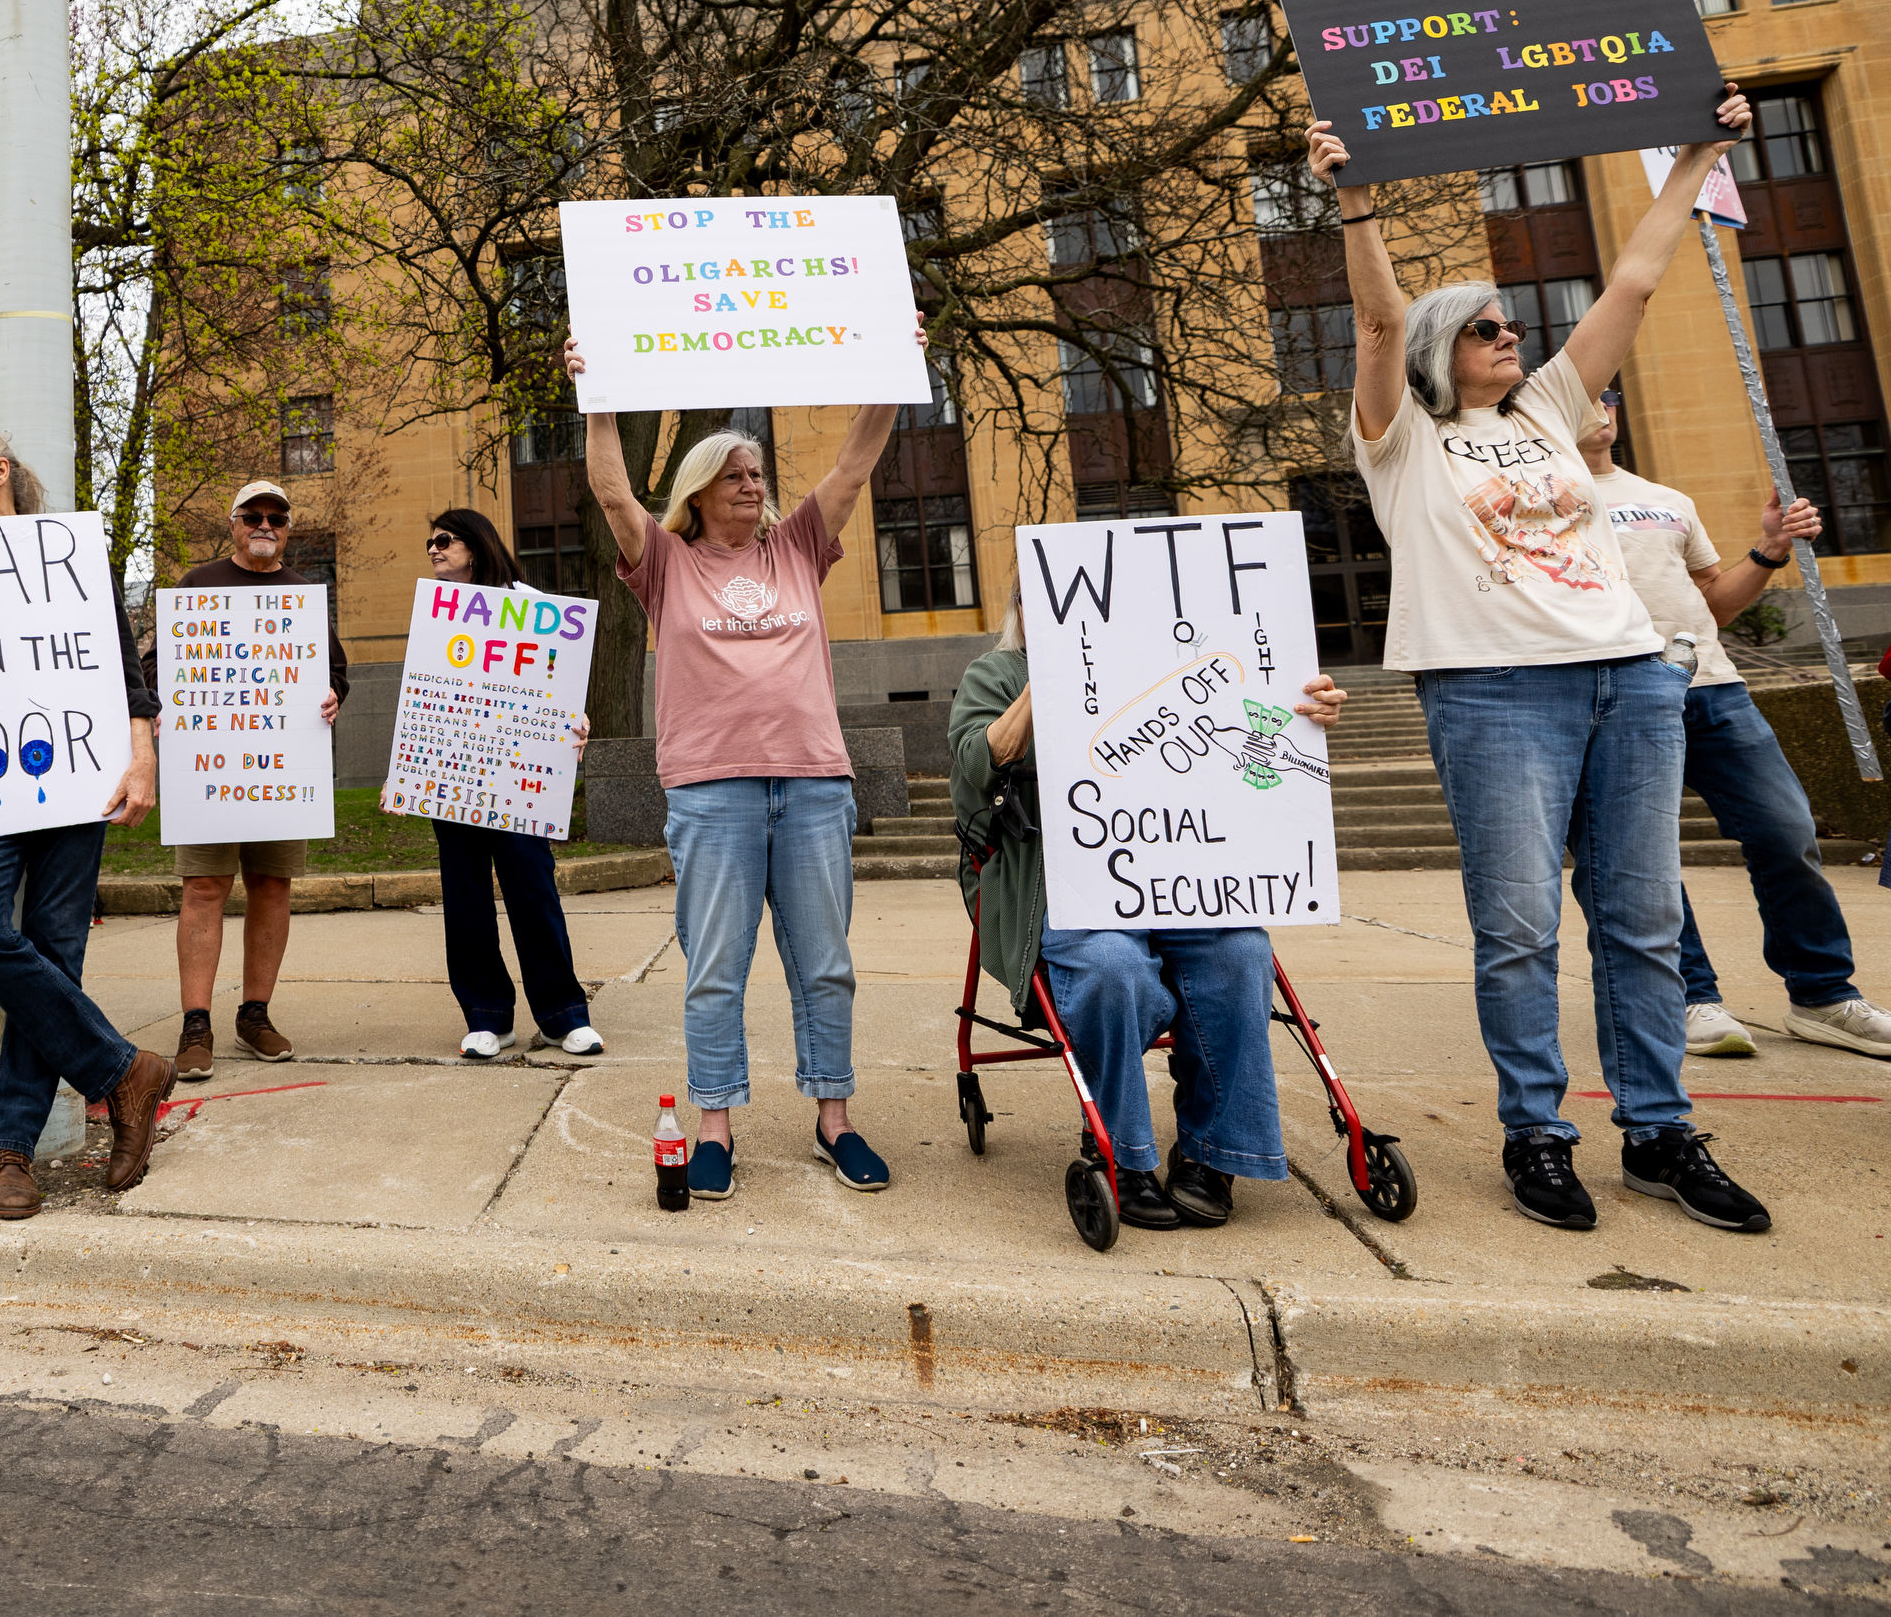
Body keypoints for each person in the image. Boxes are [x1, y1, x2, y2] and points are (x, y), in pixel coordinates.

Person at [1320, 86, 1776, 1234]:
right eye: (1484, 327)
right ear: (1443, 350)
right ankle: (1536, 1130)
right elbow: (1375, 324)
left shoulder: (1547, 410)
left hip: (1630, 678)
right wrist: (1355, 202)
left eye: (1510, 322)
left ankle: (1658, 1131)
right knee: (1518, 928)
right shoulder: (1402, 438)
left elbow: (1633, 281)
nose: (1509, 335)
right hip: (1493, 693)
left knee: (1643, 920)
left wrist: (1695, 155)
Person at [565, 336, 903, 1201]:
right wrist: (596, 396)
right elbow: (612, 491)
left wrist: (890, 375)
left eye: (757, 474)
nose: (753, 485)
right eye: (735, 475)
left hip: (813, 785)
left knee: (825, 963)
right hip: (712, 793)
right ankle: (714, 1127)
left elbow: (855, 466)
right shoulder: (666, 564)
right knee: (716, 968)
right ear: (699, 492)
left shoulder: (798, 547)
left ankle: (835, 1120)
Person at [950, 580, 1349, 1227]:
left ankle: (1212, 1152)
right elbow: (978, 762)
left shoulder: (1188, 656)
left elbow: (1259, 738)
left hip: (1182, 875)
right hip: (1064, 882)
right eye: (1041, 601)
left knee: (1242, 952)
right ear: (1021, 608)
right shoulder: (997, 673)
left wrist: (1303, 709)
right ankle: (1121, 1153)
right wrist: (1049, 675)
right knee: (1112, 966)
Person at [1577, 397, 1891, 1060]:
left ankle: (1823, 996)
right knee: (1639, 858)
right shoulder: (1539, 498)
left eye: (1608, 395)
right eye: (1585, 393)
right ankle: (1687, 997)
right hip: (1614, 695)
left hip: (1713, 687)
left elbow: (1712, 601)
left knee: (1786, 833)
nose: (1601, 405)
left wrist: (1770, 548)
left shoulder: (1667, 499)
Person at [0, 424, 174, 1222]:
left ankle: (10, 1151)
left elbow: (125, 676)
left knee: (55, 952)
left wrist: (141, 759)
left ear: (1, 469)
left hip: (75, 781)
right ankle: (123, 1071)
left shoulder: (70, 553)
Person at [156, 478, 347, 1080]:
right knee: (203, 887)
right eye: (253, 516)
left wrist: (333, 696)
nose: (265, 525)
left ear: (287, 529)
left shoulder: (303, 596)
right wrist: (160, 706)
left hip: (283, 768)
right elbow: (158, 665)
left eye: (277, 518)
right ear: (233, 524)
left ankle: (254, 1015)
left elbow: (335, 672)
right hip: (208, 770)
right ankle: (196, 1025)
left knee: (271, 885)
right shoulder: (196, 586)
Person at [418, 509, 601, 1063]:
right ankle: (486, 1018)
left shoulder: (533, 608)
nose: (433, 549)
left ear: (475, 546)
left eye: (444, 539)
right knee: (465, 900)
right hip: (456, 777)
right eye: (430, 542)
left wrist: (575, 720)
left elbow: (558, 683)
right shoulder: (436, 613)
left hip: (520, 779)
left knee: (532, 891)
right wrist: (408, 775)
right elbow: (425, 697)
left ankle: (564, 1016)